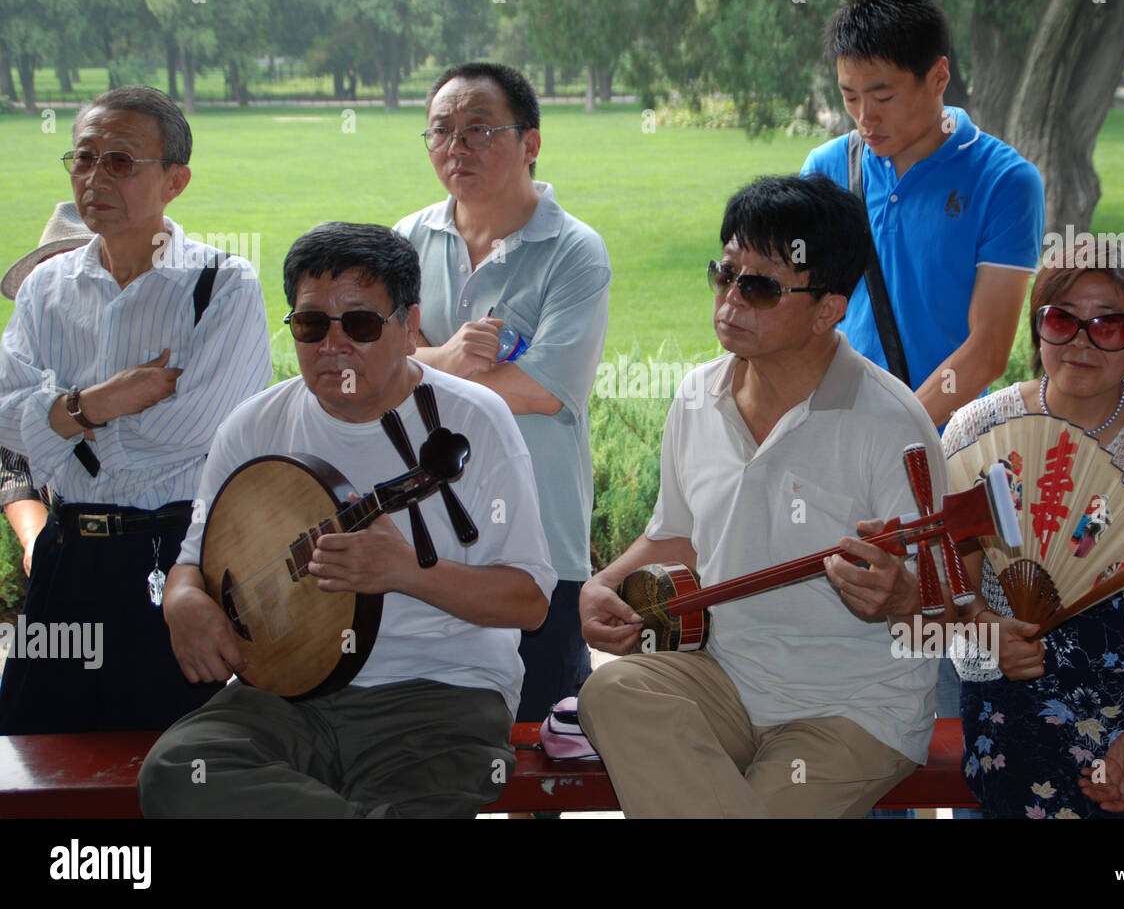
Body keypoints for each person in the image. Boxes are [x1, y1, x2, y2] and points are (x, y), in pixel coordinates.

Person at [137, 223, 556, 818]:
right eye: (310, 325)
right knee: (181, 773)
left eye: (359, 324)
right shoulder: (254, 426)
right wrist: (182, 603)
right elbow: (191, 564)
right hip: (285, 696)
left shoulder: (476, 419)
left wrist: (407, 572)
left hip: (439, 695)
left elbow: (530, 602)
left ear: (411, 329)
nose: (332, 346)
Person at [577, 175, 946, 818]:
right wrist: (603, 581)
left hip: (852, 708)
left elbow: (940, 608)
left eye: (760, 287)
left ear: (830, 308)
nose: (730, 300)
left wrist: (902, 594)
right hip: (723, 679)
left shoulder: (891, 424)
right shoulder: (697, 394)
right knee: (613, 692)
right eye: (724, 274)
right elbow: (678, 532)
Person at [0, 86, 272, 733]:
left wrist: (60, 426)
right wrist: (100, 402)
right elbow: (2, 414)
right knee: (29, 746)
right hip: (65, 556)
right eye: (83, 158)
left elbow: (193, 431)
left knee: (173, 752)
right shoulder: (45, 288)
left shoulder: (222, 287)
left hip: (175, 559)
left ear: (175, 180)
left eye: (120, 161)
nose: (94, 177)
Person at [943, 241, 1124, 818]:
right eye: (1061, 319)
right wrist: (989, 631)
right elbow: (957, 593)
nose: (1080, 342)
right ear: (1038, 328)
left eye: (1109, 326)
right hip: (1019, 671)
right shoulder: (977, 430)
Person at [394, 62, 610, 722]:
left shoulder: (574, 251)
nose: (457, 147)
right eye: (441, 131)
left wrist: (422, 361)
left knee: (544, 739)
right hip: (424, 535)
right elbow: (365, 370)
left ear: (531, 141)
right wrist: (453, 357)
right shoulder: (405, 239)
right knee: (426, 741)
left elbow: (544, 389)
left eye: (480, 130)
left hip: (539, 537)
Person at [800, 0, 1044, 429]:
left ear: (938, 77)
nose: (864, 117)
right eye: (849, 96)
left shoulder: (1004, 182)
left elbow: (988, 349)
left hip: (941, 443)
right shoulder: (827, 168)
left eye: (883, 97)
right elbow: (795, 306)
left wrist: (894, 433)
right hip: (830, 433)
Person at [0, 204, 96, 576]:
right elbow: (13, 466)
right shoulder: (25, 365)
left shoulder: (152, 355)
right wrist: (35, 539)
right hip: (60, 556)